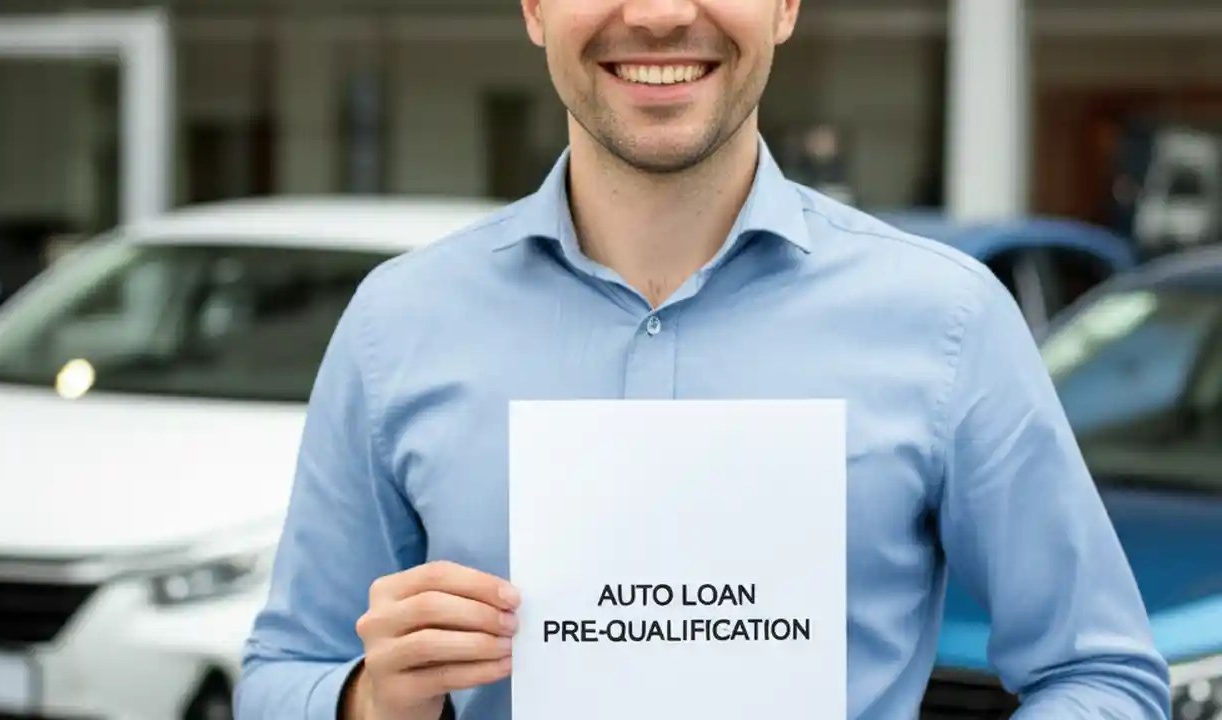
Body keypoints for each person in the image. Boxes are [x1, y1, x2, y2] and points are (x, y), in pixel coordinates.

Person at [235, 1, 1172, 718]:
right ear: (531, 8)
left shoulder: (951, 322)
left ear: (787, 5)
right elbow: (281, 675)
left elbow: (1104, 676)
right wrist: (367, 700)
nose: (658, 14)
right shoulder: (397, 325)